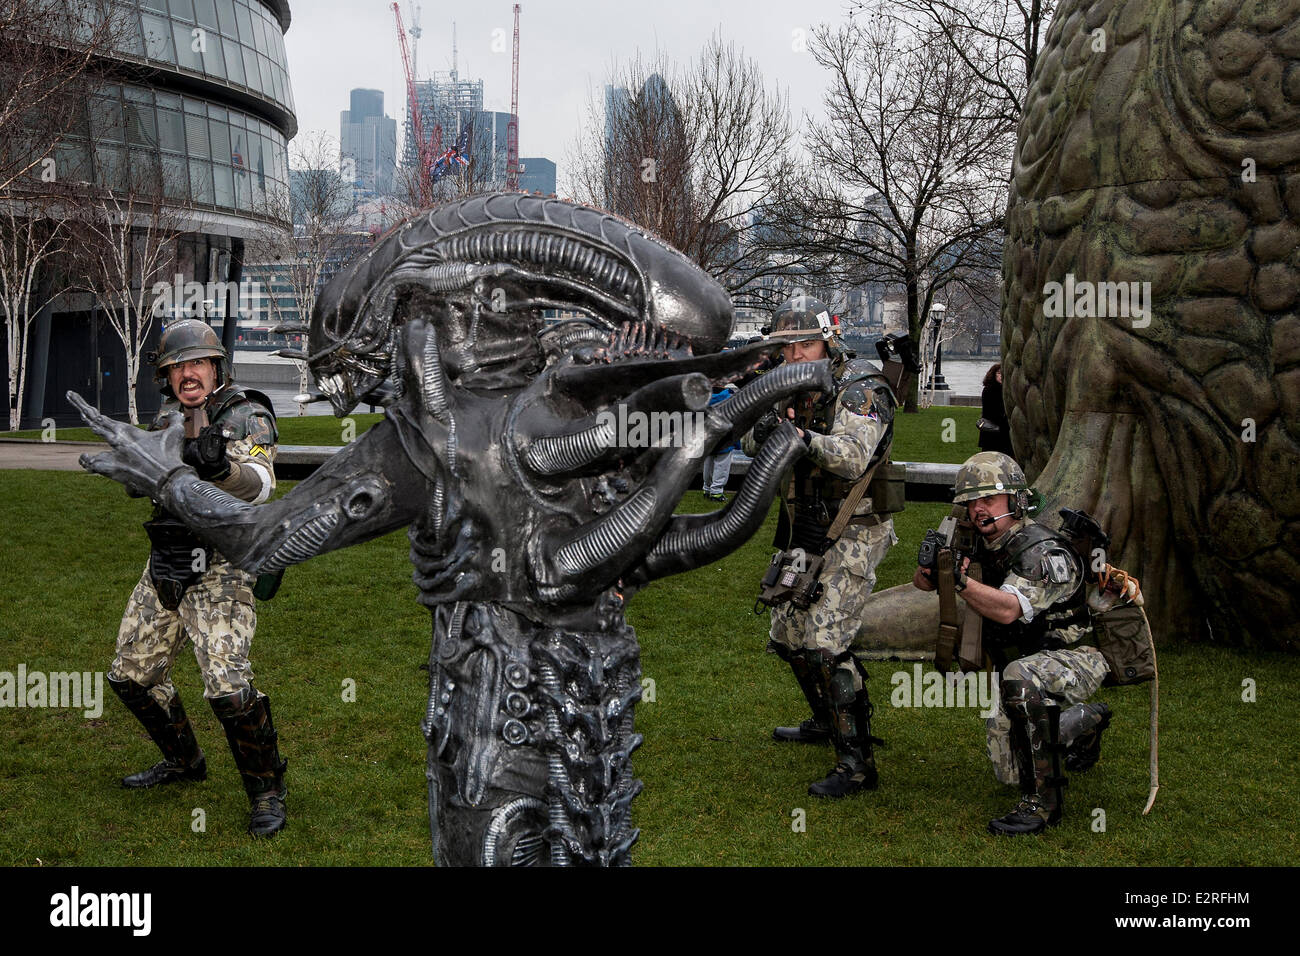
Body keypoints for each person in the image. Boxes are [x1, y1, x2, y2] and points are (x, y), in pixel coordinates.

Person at [104, 319, 288, 837]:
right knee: (130, 676)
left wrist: (219, 470)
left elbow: (259, 485)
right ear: (168, 376)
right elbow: (148, 480)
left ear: (215, 366)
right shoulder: (168, 417)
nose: (188, 374)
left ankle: (268, 791)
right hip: (165, 562)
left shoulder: (248, 416)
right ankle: (185, 762)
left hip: (222, 568)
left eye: (196, 364)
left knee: (228, 689)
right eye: (177, 367)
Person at [744, 296, 899, 797]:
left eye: (804, 344)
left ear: (827, 340)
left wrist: (798, 436)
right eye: (785, 347)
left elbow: (854, 458)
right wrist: (765, 426)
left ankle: (857, 764)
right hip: (804, 525)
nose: (794, 356)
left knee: (825, 644)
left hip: (855, 527)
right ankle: (824, 719)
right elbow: (748, 440)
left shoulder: (861, 386)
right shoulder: (784, 380)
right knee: (787, 634)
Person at [912, 451, 1112, 835]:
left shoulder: (1042, 551)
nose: (979, 510)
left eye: (989, 499)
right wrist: (932, 570)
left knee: (1018, 677)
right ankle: (1080, 723)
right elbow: (924, 584)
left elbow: (1007, 610)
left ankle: (1042, 806)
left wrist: (959, 581)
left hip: (1075, 656)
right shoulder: (976, 538)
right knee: (1009, 771)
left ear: (1017, 502)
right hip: (1025, 658)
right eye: (971, 502)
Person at [701, 385, 737, 501]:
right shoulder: (729, 397)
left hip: (707, 436)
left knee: (708, 463)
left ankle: (707, 489)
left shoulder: (703, 398)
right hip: (724, 437)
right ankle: (716, 492)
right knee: (722, 465)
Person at [977, 363, 1014, 456]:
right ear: (993, 374)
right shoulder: (989, 389)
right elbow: (991, 412)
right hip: (993, 432)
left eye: (1003, 374)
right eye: (999, 373)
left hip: (1002, 433)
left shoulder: (1006, 390)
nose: (1001, 376)